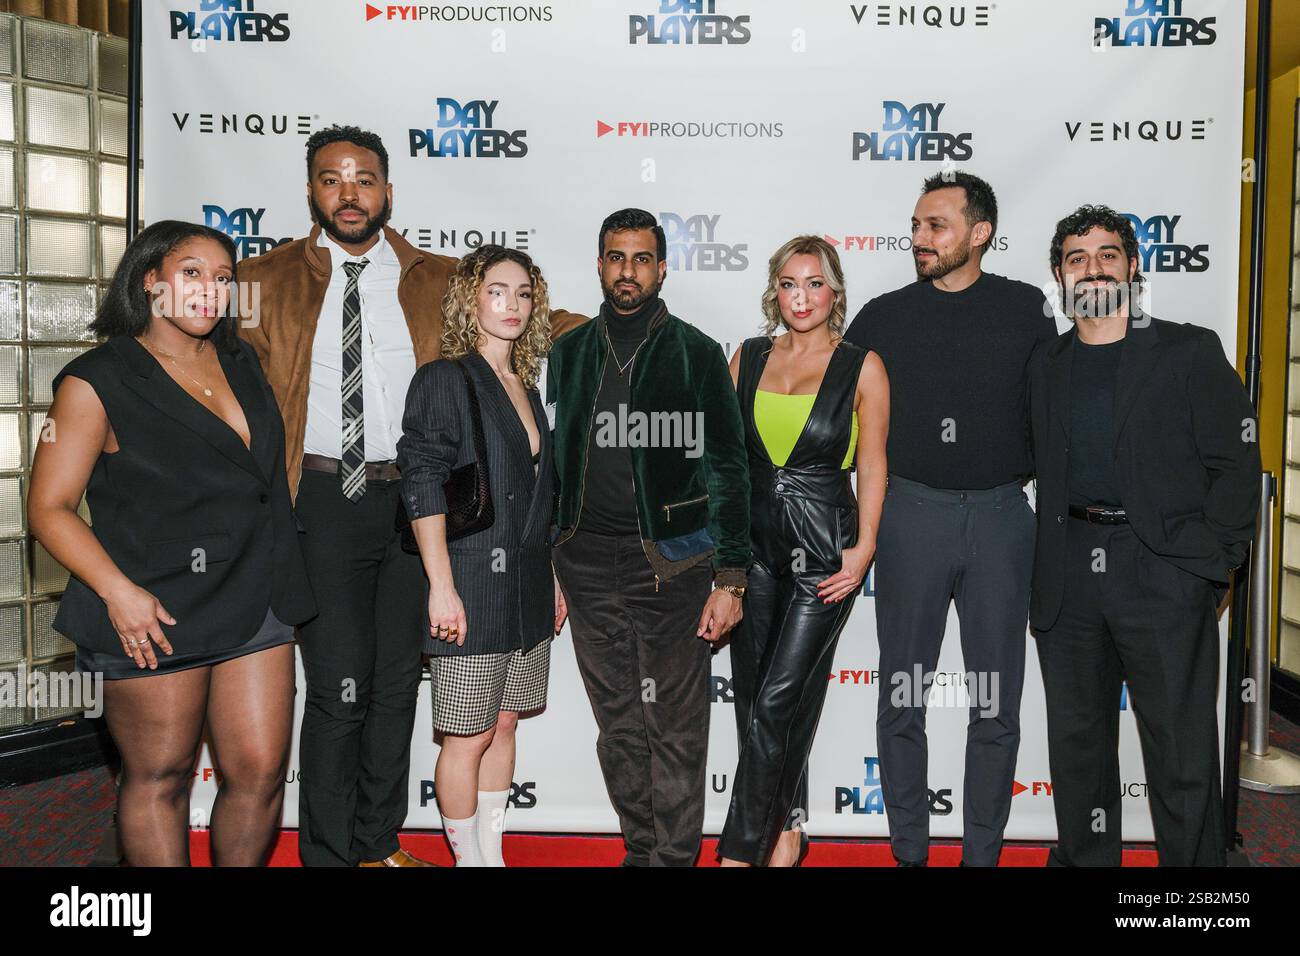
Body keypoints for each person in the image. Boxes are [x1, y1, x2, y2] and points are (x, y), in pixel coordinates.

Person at [237, 124, 585, 867]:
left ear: (389, 191)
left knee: (398, 681)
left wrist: (637, 338)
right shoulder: (261, 282)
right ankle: (329, 855)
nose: (349, 192)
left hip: (416, 505)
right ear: (311, 192)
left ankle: (376, 845)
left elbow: (533, 319)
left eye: (364, 179)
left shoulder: (438, 277)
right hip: (323, 499)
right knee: (338, 689)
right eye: (332, 179)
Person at [27, 220, 316, 866]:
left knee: (262, 774)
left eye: (222, 278)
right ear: (149, 281)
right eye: (192, 274)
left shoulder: (240, 360)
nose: (210, 290)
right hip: (151, 604)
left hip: (256, 593)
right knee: (160, 778)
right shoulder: (96, 379)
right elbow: (48, 509)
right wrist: (118, 594)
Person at [1028, 205, 1260, 867]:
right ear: (1060, 276)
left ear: (1133, 266)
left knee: (1181, 746)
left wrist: (1217, 562)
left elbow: (1237, 461)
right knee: (1077, 746)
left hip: (1161, 566)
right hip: (1069, 568)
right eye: (1077, 258)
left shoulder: (1186, 350)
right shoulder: (1046, 362)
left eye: (1107, 254)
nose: (1092, 267)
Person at [843, 171, 1057, 867]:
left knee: (995, 705)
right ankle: (910, 853)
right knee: (902, 698)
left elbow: (1055, 414)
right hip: (910, 517)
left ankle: (981, 857)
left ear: (980, 232)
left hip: (1002, 519)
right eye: (915, 226)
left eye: (936, 225)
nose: (920, 239)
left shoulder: (1028, 309)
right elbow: (823, 397)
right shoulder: (882, 315)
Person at [548, 207, 751, 867]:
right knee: (620, 729)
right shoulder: (569, 352)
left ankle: (672, 858)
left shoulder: (695, 352)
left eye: (641, 258)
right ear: (600, 264)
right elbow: (548, 463)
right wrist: (550, 562)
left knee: (677, 729)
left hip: (674, 567)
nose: (627, 270)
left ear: (662, 267)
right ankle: (643, 850)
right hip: (583, 563)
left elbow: (727, 468)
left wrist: (730, 577)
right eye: (615, 257)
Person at [718, 236, 889, 867]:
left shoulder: (861, 365)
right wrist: (727, 560)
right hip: (756, 550)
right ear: (775, 290)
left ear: (835, 291)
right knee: (753, 697)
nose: (802, 297)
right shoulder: (749, 356)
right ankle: (786, 833)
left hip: (824, 553)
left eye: (815, 283)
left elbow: (872, 463)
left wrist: (863, 549)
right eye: (790, 283)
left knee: (778, 699)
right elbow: (727, 462)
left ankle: (739, 854)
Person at [397, 245, 563, 866]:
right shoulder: (445, 377)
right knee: (467, 736)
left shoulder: (524, 382)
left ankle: (491, 854)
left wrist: (552, 578)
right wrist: (441, 586)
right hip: (468, 582)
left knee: (506, 725)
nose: (512, 305)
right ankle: (468, 860)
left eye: (523, 293)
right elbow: (422, 483)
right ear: (471, 298)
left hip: (524, 585)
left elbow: (538, 498)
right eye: (498, 291)